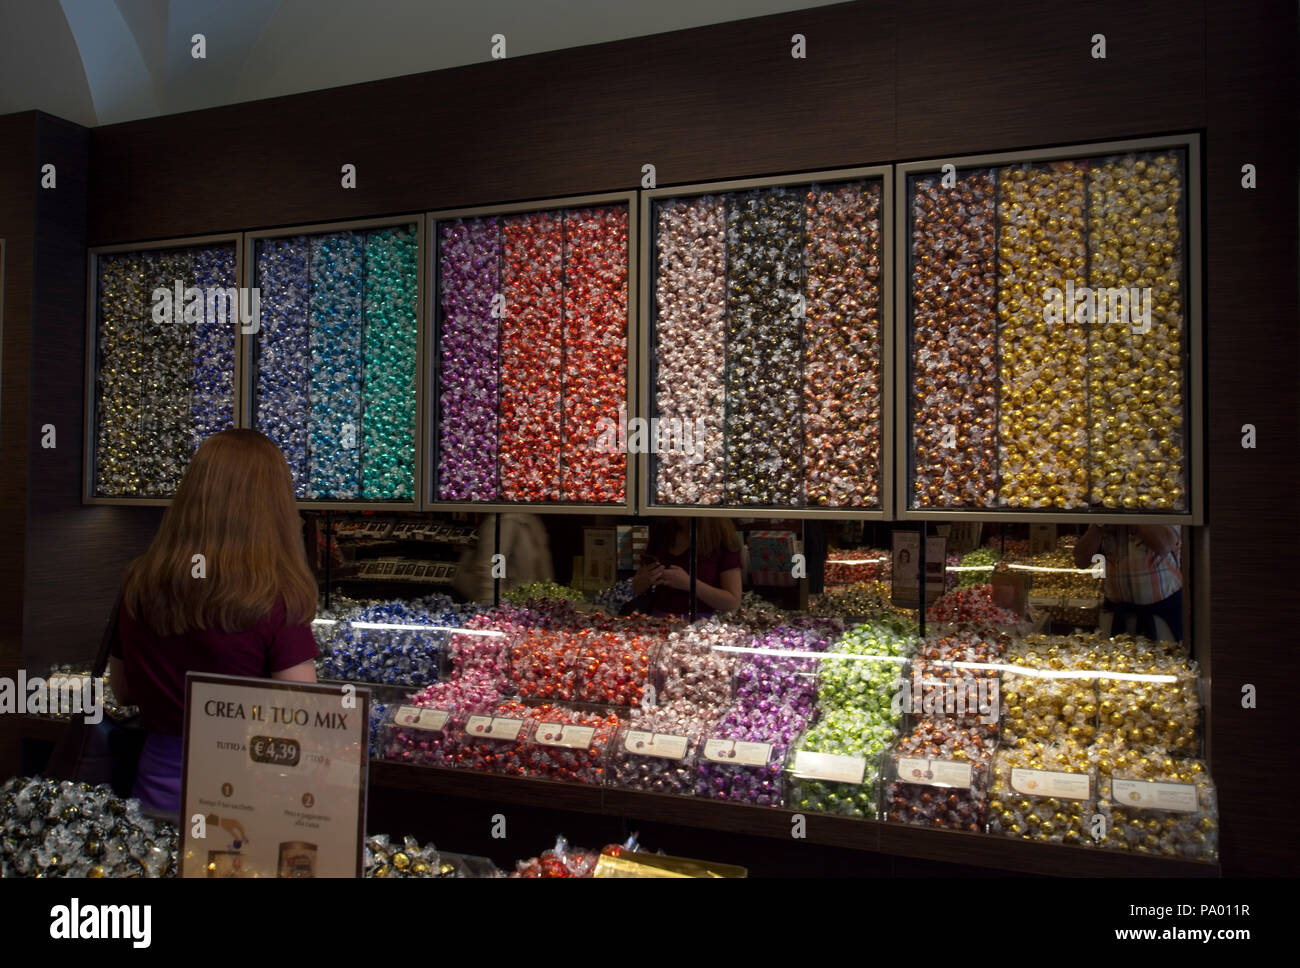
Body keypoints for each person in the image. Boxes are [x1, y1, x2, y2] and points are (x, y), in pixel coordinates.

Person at [108, 429, 320, 814]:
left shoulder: (140, 581)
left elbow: (124, 692)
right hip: (241, 802)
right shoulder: (276, 596)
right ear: (274, 504)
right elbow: (301, 713)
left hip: (154, 795)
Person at [1073, 524, 1183, 642]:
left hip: (1161, 613)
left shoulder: (1160, 507)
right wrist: (1098, 526)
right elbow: (1081, 561)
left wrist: (1131, 516)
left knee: (1166, 656)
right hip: (1117, 614)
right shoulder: (1105, 515)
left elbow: (1165, 544)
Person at [631, 517, 742, 618]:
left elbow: (732, 602)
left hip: (704, 628)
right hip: (660, 622)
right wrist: (647, 578)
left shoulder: (721, 540)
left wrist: (689, 584)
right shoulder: (662, 530)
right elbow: (637, 587)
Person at [452, 512, 554, 603]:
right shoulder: (504, 522)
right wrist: (496, 610)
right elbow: (492, 570)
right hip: (511, 611)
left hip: (527, 608)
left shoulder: (531, 520)